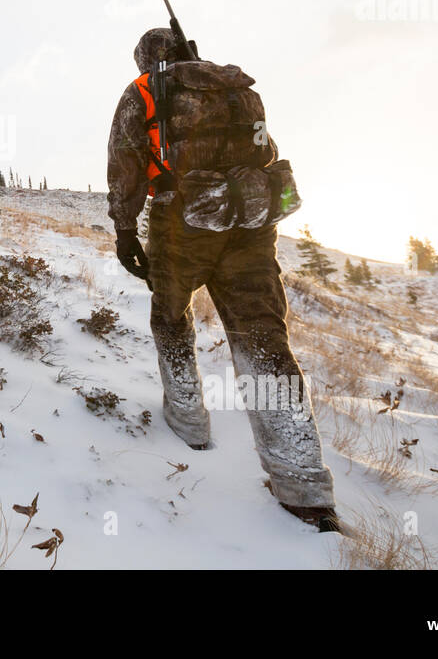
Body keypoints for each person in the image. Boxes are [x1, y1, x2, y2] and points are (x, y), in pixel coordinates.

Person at [106, 28, 340, 532]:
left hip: (181, 221)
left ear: (148, 58)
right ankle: (303, 487)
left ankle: (188, 423)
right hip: (253, 226)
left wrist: (125, 229)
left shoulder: (146, 89)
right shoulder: (240, 87)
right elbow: (264, 150)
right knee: (264, 340)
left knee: (170, 317)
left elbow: (126, 159)